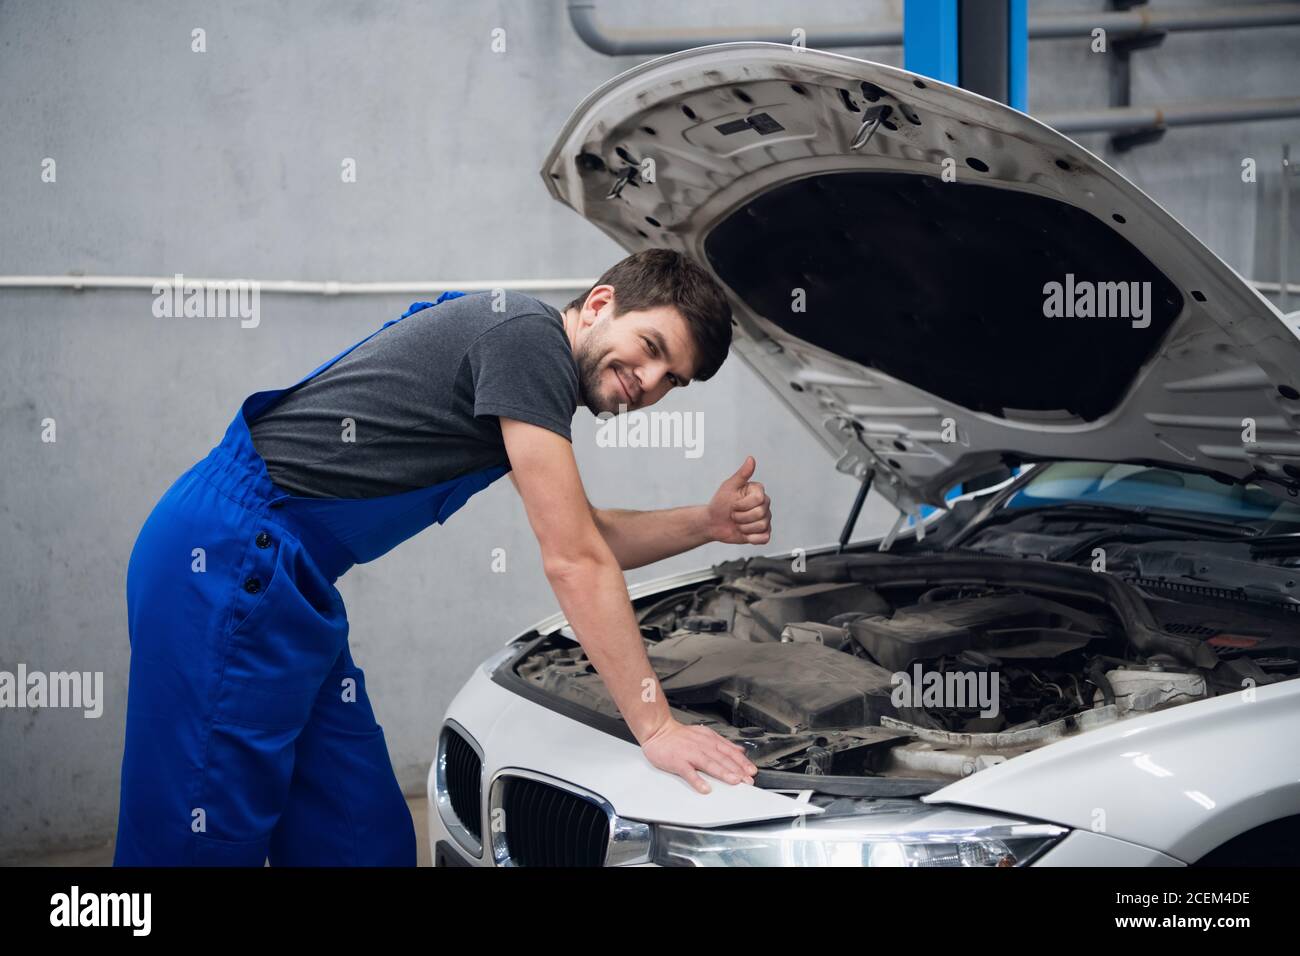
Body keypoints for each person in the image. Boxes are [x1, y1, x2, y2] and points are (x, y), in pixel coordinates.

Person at [113, 248, 769, 865]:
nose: (648, 384)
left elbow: (589, 536)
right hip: (229, 556)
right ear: (600, 306)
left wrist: (707, 523)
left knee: (356, 832)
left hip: (289, 578)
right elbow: (574, 561)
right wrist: (656, 727)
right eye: (651, 349)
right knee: (195, 835)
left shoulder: (520, 354)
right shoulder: (527, 338)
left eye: (671, 380)